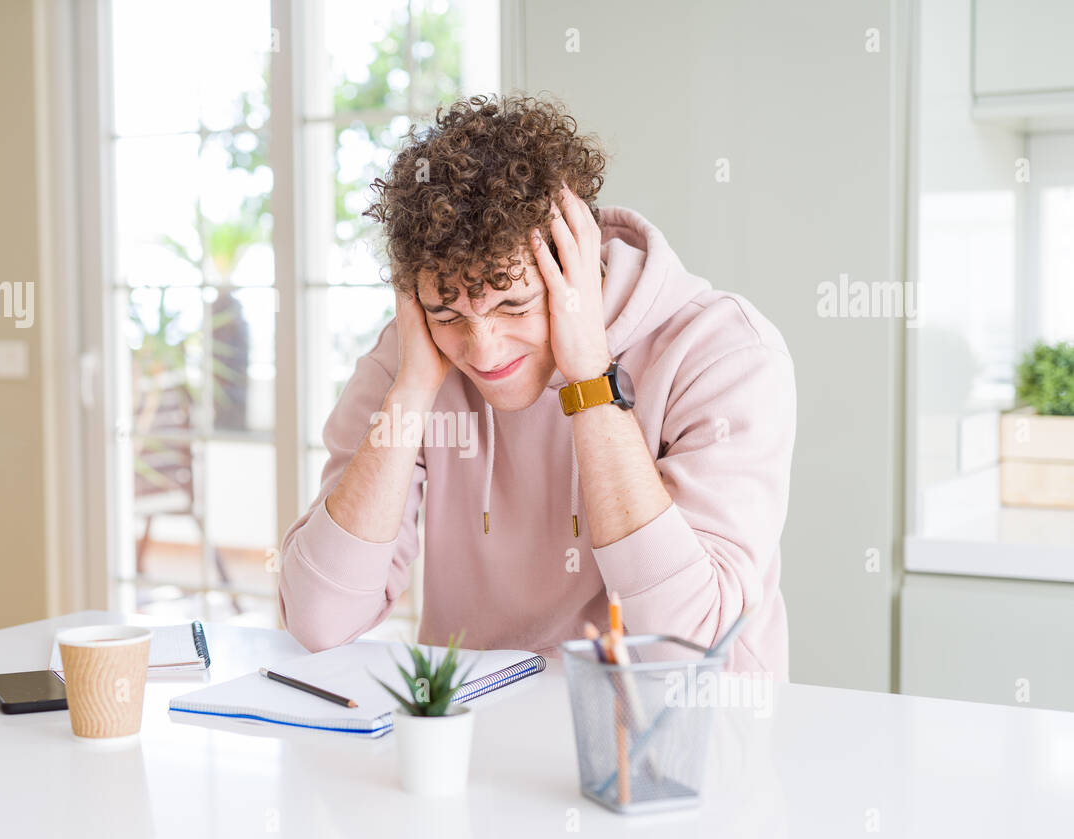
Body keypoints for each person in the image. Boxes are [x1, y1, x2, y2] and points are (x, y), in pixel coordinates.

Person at [277, 94, 797, 677]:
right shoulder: (414, 357)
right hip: (480, 727)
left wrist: (591, 382)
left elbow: (686, 643)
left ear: (582, 262)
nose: (484, 349)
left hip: (679, 740)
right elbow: (320, 620)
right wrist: (414, 390)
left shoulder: (724, 352)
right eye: (447, 314)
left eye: (515, 304)